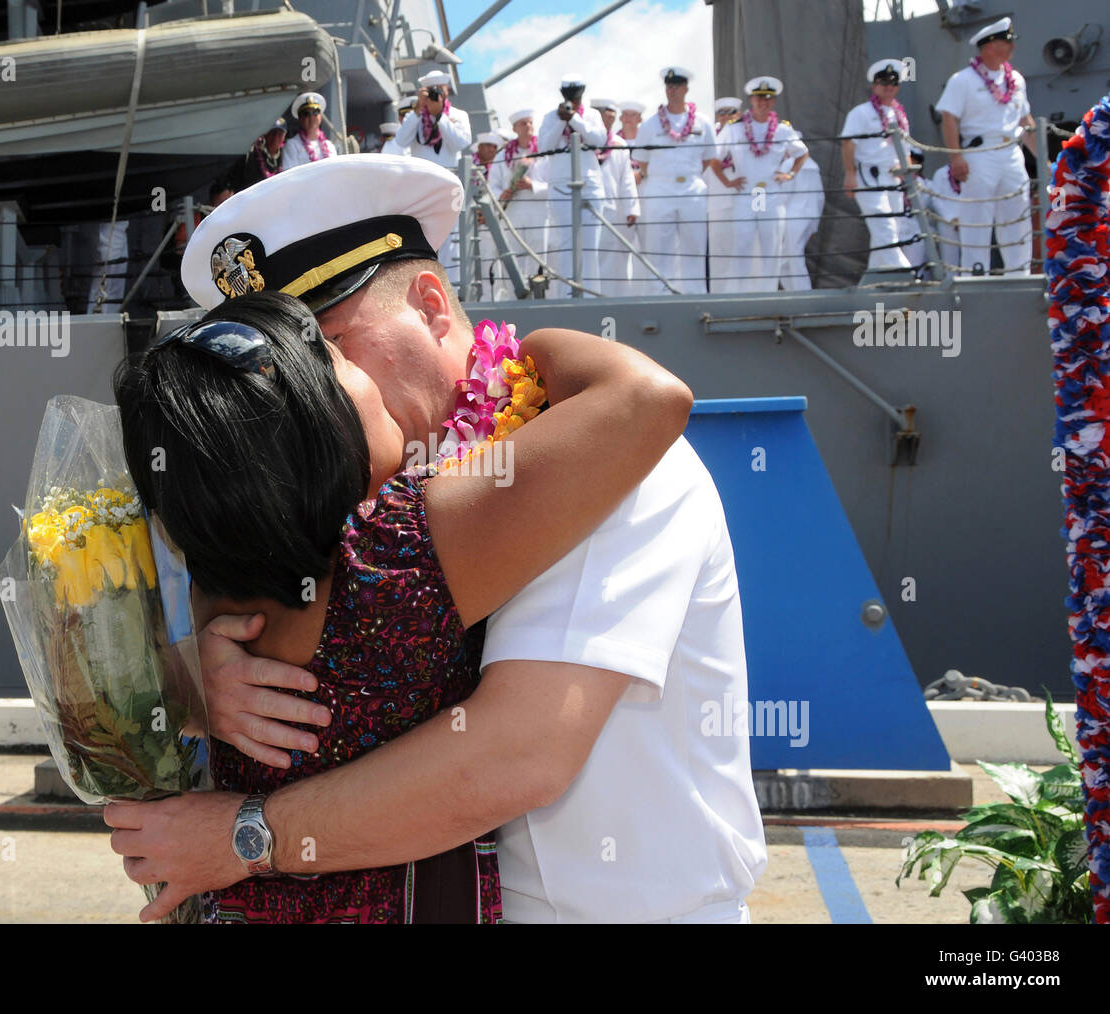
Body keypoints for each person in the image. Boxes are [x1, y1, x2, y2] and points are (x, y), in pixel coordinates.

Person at [118, 154, 767, 924]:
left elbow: (517, 752)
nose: (305, 396)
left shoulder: (602, 464)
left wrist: (246, 834)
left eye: (328, 345)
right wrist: (205, 679)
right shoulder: (359, 514)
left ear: (429, 303)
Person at [933, 16, 1037, 275]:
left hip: (1012, 153)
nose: (1012, 48)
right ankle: (974, 273)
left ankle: (1019, 273)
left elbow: (1025, 120)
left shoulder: (1017, 81)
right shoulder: (963, 80)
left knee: (1017, 214)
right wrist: (956, 157)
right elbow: (949, 118)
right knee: (977, 217)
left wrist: (1042, 156)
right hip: (979, 154)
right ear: (989, 46)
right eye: (1006, 42)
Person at [632, 67, 730, 295]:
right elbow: (642, 163)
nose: (672, 90)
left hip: (691, 188)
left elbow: (708, 158)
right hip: (659, 188)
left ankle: (695, 296)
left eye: (676, 86)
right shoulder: (650, 125)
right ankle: (659, 296)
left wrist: (687, 174)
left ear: (686, 88)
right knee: (658, 248)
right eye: (669, 86)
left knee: (694, 246)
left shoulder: (703, 123)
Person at [718, 76, 808, 292]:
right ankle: (738, 295)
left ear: (773, 102)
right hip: (746, 194)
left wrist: (791, 174)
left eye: (767, 99)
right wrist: (727, 182)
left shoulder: (783, 129)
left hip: (770, 194)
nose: (763, 103)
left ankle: (768, 294)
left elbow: (802, 153)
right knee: (742, 247)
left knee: (772, 248)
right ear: (751, 100)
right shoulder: (735, 128)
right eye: (759, 99)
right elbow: (714, 157)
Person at [397, 69, 473, 285]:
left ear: (447, 91)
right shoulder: (416, 118)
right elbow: (401, 141)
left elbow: (460, 142)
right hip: (423, 186)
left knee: (453, 238)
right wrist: (418, 111)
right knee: (425, 235)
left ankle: (454, 289)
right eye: (430, 91)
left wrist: (440, 116)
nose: (434, 95)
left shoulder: (457, 116)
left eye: (439, 90)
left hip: (451, 185)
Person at [537, 74, 608, 298]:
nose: (573, 101)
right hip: (561, 186)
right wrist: (561, 121)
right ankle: (568, 294)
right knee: (567, 243)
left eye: (576, 98)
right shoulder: (551, 117)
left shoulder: (592, 115)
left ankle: (591, 293)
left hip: (589, 185)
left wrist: (575, 119)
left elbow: (599, 140)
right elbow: (544, 146)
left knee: (590, 244)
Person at [841, 59, 914, 275]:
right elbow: (848, 143)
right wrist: (850, 174)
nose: (888, 87)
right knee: (885, 230)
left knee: (893, 231)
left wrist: (909, 176)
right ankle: (908, 275)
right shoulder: (861, 113)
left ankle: (873, 281)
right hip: (868, 176)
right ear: (874, 86)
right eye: (883, 83)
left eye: (892, 83)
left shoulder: (900, 115)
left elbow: (906, 150)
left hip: (893, 179)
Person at [488, 108, 548, 296]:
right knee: (513, 257)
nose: (528, 126)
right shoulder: (502, 156)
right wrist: (502, 194)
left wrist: (532, 185)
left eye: (530, 122)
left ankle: (539, 297)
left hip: (538, 213)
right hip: (512, 214)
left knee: (538, 256)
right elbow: (492, 185)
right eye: (523, 123)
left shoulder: (546, 152)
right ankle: (516, 296)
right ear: (514, 128)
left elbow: (555, 183)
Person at [590, 97, 640, 298]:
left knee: (611, 257)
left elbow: (626, 179)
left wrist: (631, 208)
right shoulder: (582, 140)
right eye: (605, 112)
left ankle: (608, 297)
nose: (610, 116)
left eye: (611, 112)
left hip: (611, 208)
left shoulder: (619, 144)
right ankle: (591, 295)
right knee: (589, 256)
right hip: (586, 208)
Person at [705, 96, 742, 293]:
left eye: (732, 112)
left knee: (746, 254)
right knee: (720, 254)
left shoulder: (748, 135)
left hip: (745, 204)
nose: (727, 116)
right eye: (722, 112)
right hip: (717, 203)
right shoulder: (711, 139)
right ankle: (720, 297)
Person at [465, 131, 504, 299]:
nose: (492, 150)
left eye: (494, 147)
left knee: (492, 263)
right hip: (469, 224)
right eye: (488, 146)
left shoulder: (500, 169)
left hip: (492, 223)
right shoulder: (468, 170)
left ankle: (492, 297)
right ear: (479, 148)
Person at [615, 99, 647, 293]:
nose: (627, 119)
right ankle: (623, 291)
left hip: (645, 196)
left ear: (639, 118)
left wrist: (641, 174)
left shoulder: (647, 140)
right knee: (620, 247)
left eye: (632, 115)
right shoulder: (614, 143)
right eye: (625, 115)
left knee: (645, 247)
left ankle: (642, 292)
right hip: (622, 200)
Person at [778, 154, 823, 290]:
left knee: (794, 257)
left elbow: (784, 194)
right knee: (784, 261)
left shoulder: (788, 165)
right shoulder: (813, 164)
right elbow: (820, 196)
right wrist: (815, 224)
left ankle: (803, 293)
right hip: (811, 214)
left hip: (794, 216)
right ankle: (793, 294)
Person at [281, 92, 339, 170]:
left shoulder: (329, 146)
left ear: (320, 117)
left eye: (315, 112)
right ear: (300, 119)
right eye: (306, 114)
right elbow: (291, 178)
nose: (311, 117)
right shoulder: (292, 146)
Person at [234, 118, 286, 190]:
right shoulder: (252, 153)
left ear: (284, 136)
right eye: (273, 132)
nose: (275, 137)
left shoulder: (285, 154)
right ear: (265, 134)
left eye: (280, 134)